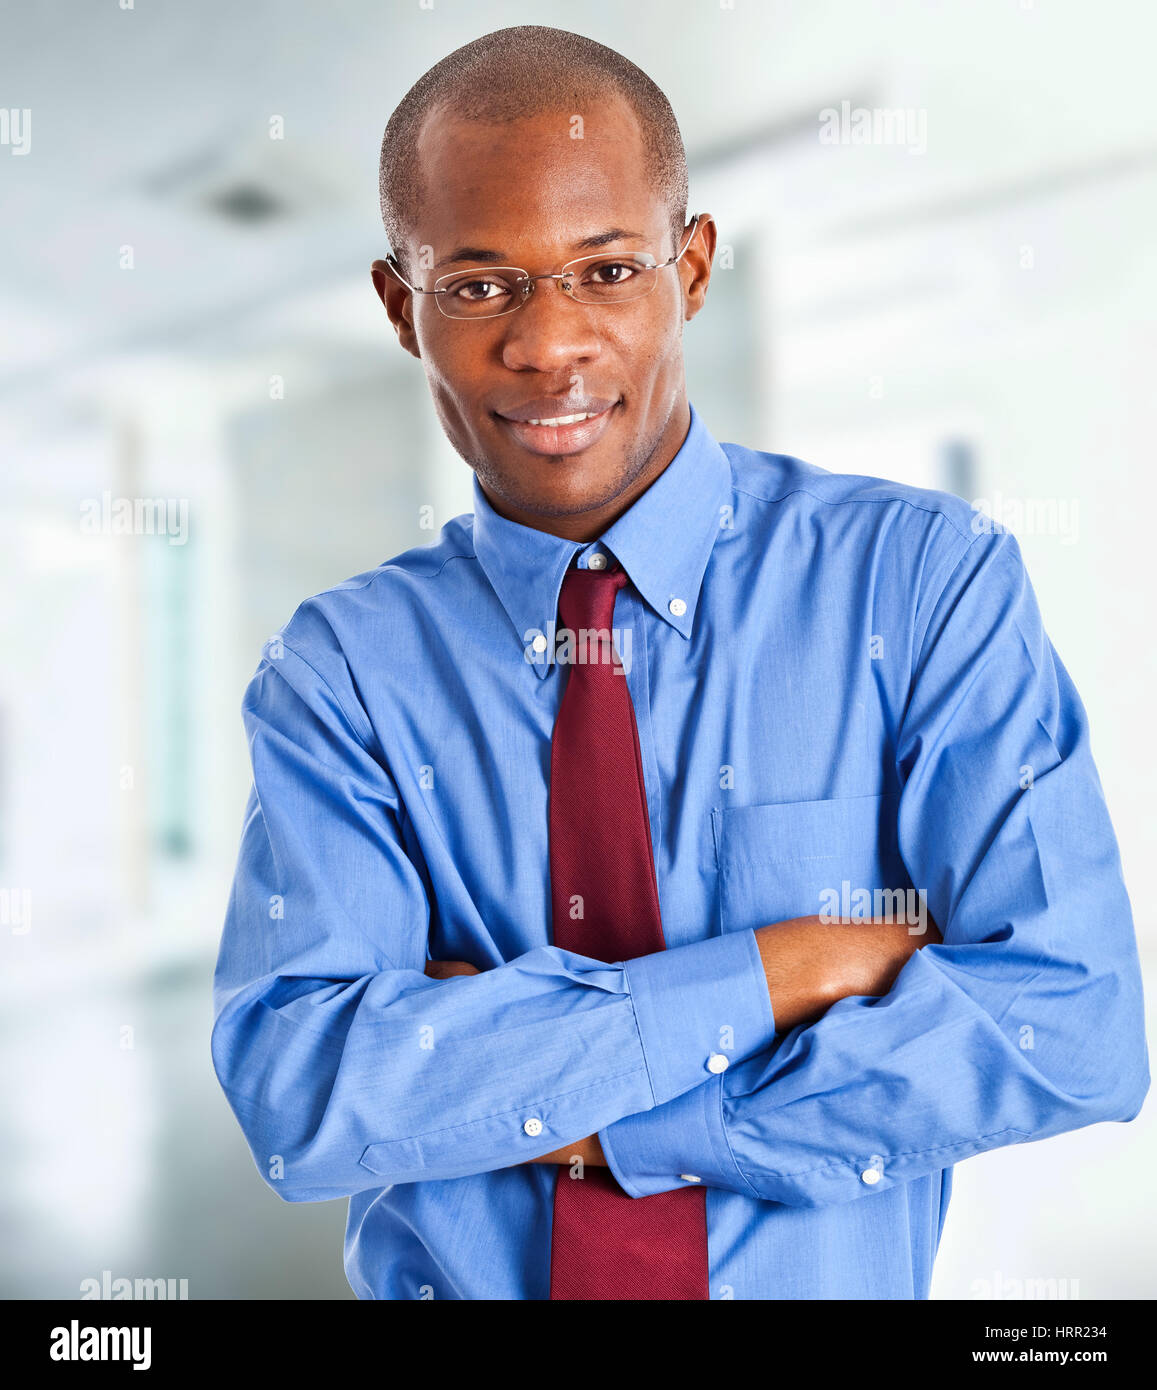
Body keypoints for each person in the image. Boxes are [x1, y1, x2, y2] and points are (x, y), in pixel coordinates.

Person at [210, 24, 1148, 1300]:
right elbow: (308, 1091)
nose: (548, 345)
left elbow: (1065, 1024)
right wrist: (784, 966)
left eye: (603, 269)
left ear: (690, 270)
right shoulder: (342, 671)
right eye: (478, 285)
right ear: (399, 308)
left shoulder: (923, 579)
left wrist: (595, 1111)